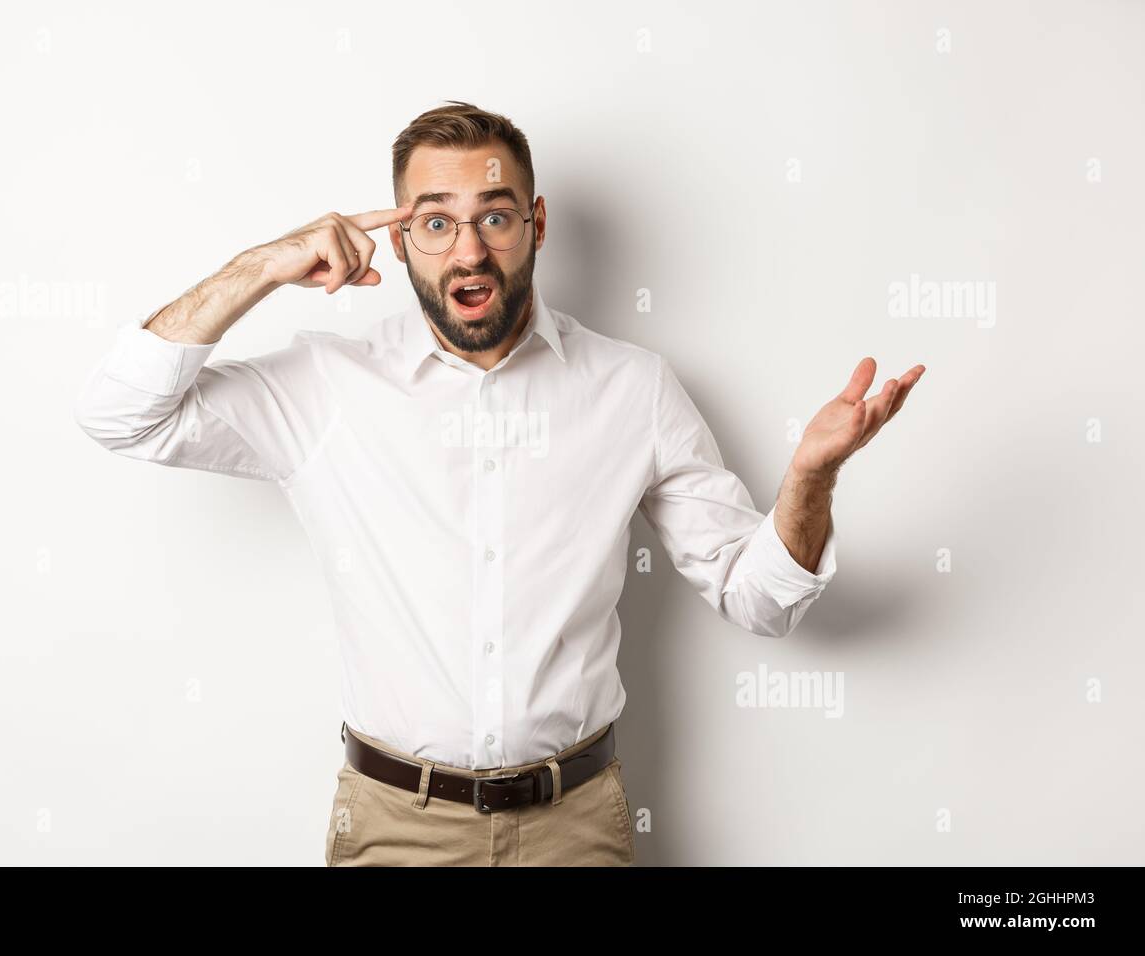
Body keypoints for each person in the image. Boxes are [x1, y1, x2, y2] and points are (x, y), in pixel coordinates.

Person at [72, 100, 924, 866]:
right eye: (435, 223)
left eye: (496, 216)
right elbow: (120, 414)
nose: (470, 249)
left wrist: (811, 478)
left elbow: (761, 603)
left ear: (537, 223)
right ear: (400, 242)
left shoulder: (633, 389)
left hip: (577, 827)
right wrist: (260, 266)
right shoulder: (325, 387)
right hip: (394, 829)